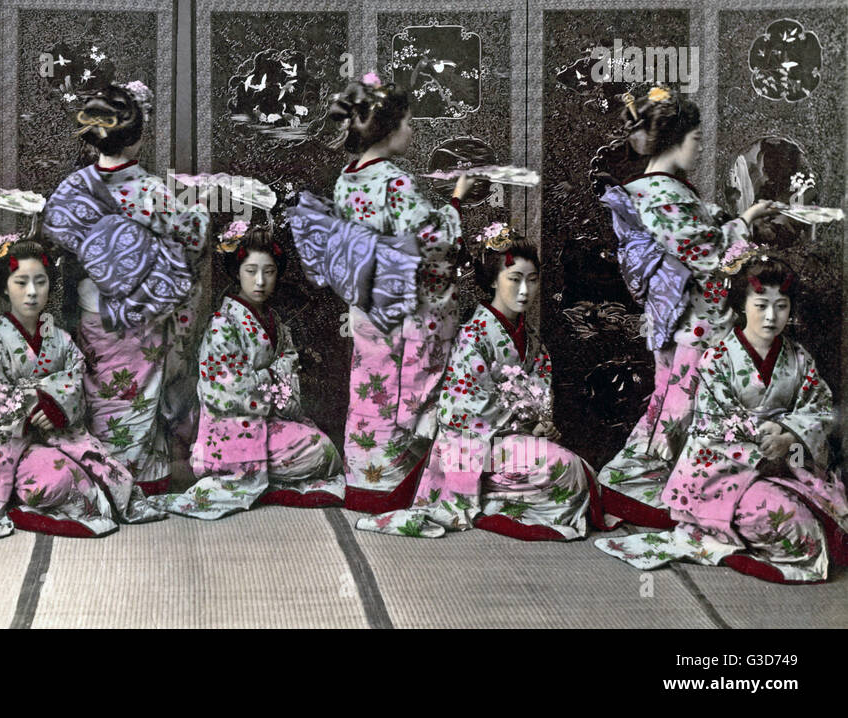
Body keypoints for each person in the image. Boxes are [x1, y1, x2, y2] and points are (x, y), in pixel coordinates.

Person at [596, 256, 847, 583]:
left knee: (829, 521)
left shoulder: (798, 359)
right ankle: (737, 546)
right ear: (742, 304)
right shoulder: (717, 358)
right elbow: (711, 426)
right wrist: (761, 451)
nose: (771, 317)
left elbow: (819, 408)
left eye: (781, 306)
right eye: (761, 305)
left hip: (787, 462)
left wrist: (788, 436)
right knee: (789, 524)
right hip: (725, 473)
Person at [289, 68, 473, 513]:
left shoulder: (347, 177)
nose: (411, 131)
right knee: (397, 393)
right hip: (401, 312)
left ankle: (363, 475)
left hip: (366, 309)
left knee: (370, 388)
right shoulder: (395, 181)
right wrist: (455, 202)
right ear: (388, 128)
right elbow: (432, 242)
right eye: (408, 122)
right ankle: (394, 481)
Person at [357, 226, 607, 540]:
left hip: (512, 442)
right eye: (514, 279)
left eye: (532, 279)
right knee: (566, 467)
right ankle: (489, 499)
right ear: (492, 280)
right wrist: (523, 425)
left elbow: (540, 391)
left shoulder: (532, 341)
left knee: (575, 470)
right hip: (475, 447)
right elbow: (463, 407)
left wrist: (542, 421)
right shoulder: (473, 335)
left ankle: (502, 499)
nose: (525, 291)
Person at [596, 88, 774, 527]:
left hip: (688, 320)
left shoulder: (669, 191)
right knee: (681, 409)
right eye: (696, 137)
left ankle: (657, 490)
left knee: (679, 407)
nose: (699, 146)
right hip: (691, 323)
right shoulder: (659, 193)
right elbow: (708, 254)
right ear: (677, 138)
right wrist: (746, 220)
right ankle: (637, 491)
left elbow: (701, 231)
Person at [0, 238, 165, 542]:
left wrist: (56, 406)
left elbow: (76, 372)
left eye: (40, 282)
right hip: (9, 445)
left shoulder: (58, 337)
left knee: (105, 477)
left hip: (59, 434)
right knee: (55, 481)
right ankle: (23, 505)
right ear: (5, 287)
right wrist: (36, 406)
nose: (32, 292)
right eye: (21, 282)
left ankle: (36, 504)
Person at [43, 81, 209, 494]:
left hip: (93, 308)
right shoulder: (152, 191)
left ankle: (102, 476)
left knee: (101, 396)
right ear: (138, 136)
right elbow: (189, 248)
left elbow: (53, 239)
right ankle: (140, 478)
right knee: (136, 399)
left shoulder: (71, 188)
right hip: (141, 314)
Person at [159, 225, 344, 519]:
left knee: (326, 450)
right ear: (237, 272)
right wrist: (272, 376)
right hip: (233, 428)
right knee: (316, 448)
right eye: (251, 270)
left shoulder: (275, 322)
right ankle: (252, 478)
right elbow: (227, 392)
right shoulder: (223, 325)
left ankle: (268, 481)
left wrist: (263, 376)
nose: (260, 281)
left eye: (269, 271)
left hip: (270, 420)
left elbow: (289, 365)